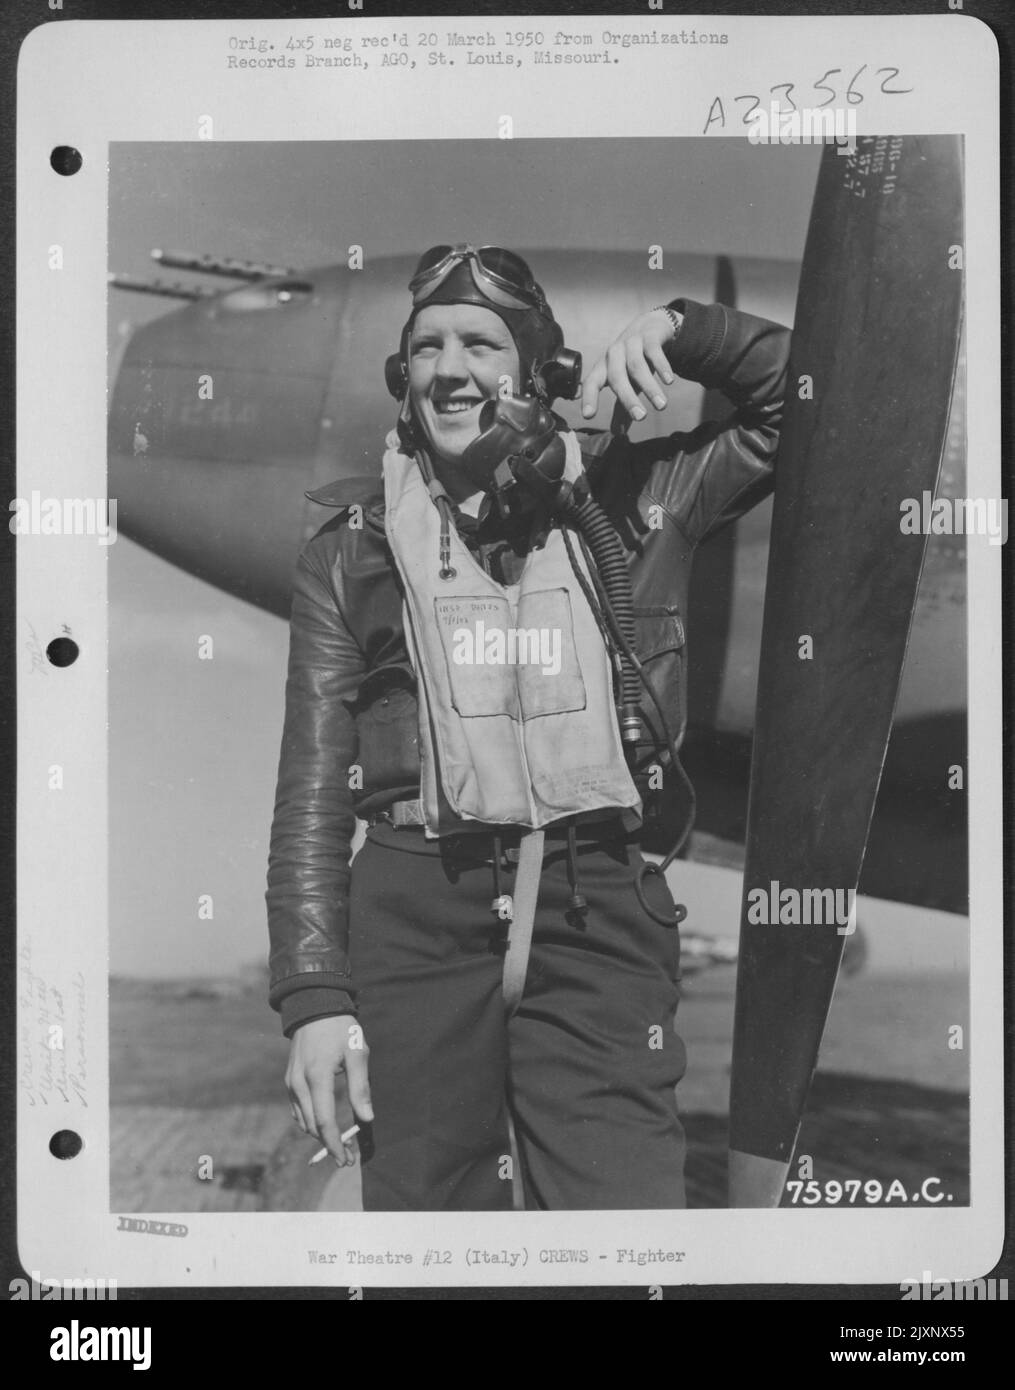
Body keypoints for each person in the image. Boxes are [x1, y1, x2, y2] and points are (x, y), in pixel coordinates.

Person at [266, 244, 790, 1211]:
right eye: (425, 347)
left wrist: (687, 329)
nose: (449, 369)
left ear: (538, 376)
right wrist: (314, 999)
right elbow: (308, 790)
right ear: (403, 375)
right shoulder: (349, 551)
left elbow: (801, 406)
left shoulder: (640, 501)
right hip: (414, 910)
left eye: (478, 343)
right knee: (426, 1243)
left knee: (625, 1228)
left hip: (597, 907)